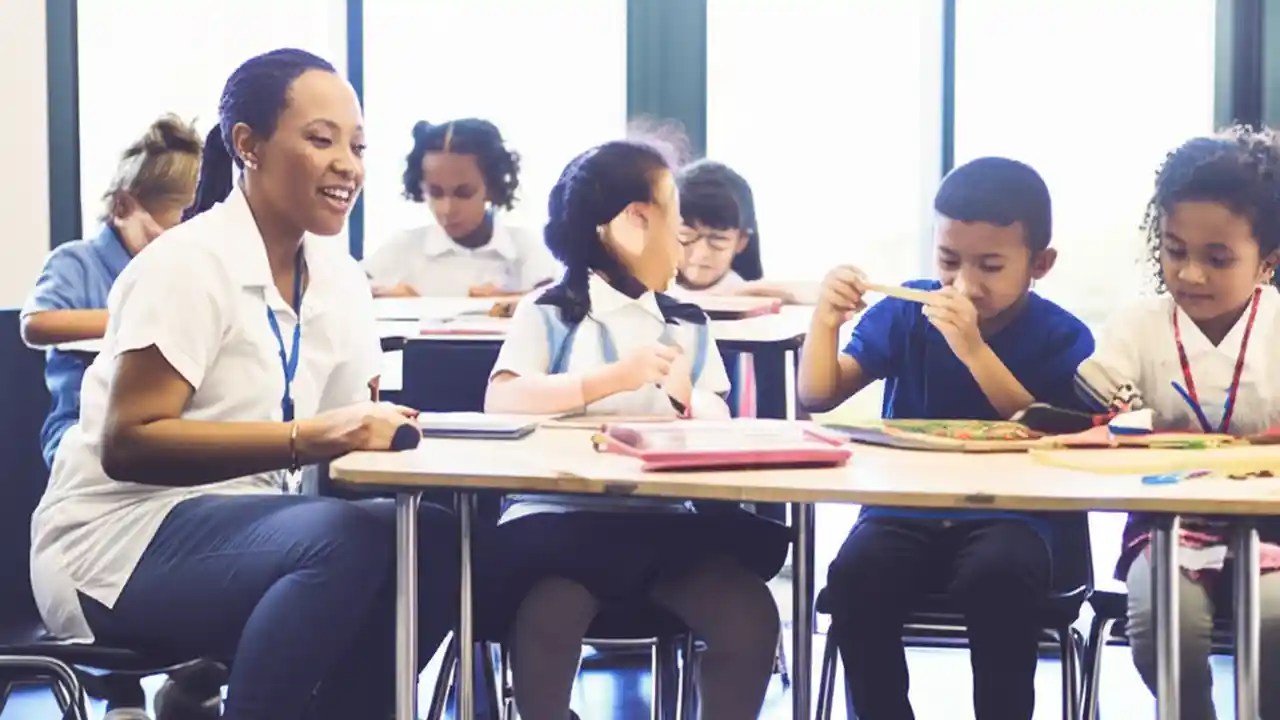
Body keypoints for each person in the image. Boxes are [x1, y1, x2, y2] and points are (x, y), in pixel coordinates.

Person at [28, 48, 457, 720]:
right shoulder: (188, 263)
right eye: (321, 139)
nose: (348, 162)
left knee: (429, 538)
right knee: (343, 541)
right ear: (247, 145)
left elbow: (352, 427)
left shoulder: (338, 277)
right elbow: (128, 444)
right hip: (117, 543)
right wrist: (304, 438)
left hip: (254, 531)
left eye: (358, 144)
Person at [483, 140, 791, 720]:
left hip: (662, 523)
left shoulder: (687, 322)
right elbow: (503, 398)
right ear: (628, 225)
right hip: (558, 523)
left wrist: (687, 401)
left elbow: (719, 418)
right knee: (547, 612)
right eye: (672, 217)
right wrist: (605, 381)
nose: (681, 237)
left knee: (750, 614)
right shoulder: (547, 312)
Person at [798, 157, 1094, 719]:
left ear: (1040, 264)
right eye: (948, 260)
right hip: (902, 514)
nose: (963, 284)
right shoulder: (908, 311)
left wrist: (973, 350)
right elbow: (818, 396)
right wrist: (825, 322)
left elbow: (1048, 428)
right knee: (856, 578)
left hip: (1016, 518)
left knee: (1000, 580)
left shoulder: (1062, 335)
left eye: (990, 266)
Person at [1077, 127, 1280, 719]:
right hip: (1168, 524)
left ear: (1266, 263)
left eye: (1218, 259)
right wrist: (1117, 416)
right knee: (1164, 625)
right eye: (1174, 250)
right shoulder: (1138, 326)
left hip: (1272, 526)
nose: (1190, 274)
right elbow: (1099, 406)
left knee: (1274, 620)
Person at [21, 115, 202, 470]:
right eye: (160, 236)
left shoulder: (186, 270)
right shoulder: (77, 262)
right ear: (122, 207)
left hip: (167, 429)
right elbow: (36, 323)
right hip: (81, 432)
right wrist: (136, 320)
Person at [364, 118, 559, 297]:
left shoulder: (524, 249)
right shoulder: (402, 248)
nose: (447, 209)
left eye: (464, 193)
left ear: (491, 187)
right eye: (435, 193)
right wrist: (380, 296)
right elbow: (342, 294)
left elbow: (559, 306)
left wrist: (515, 302)